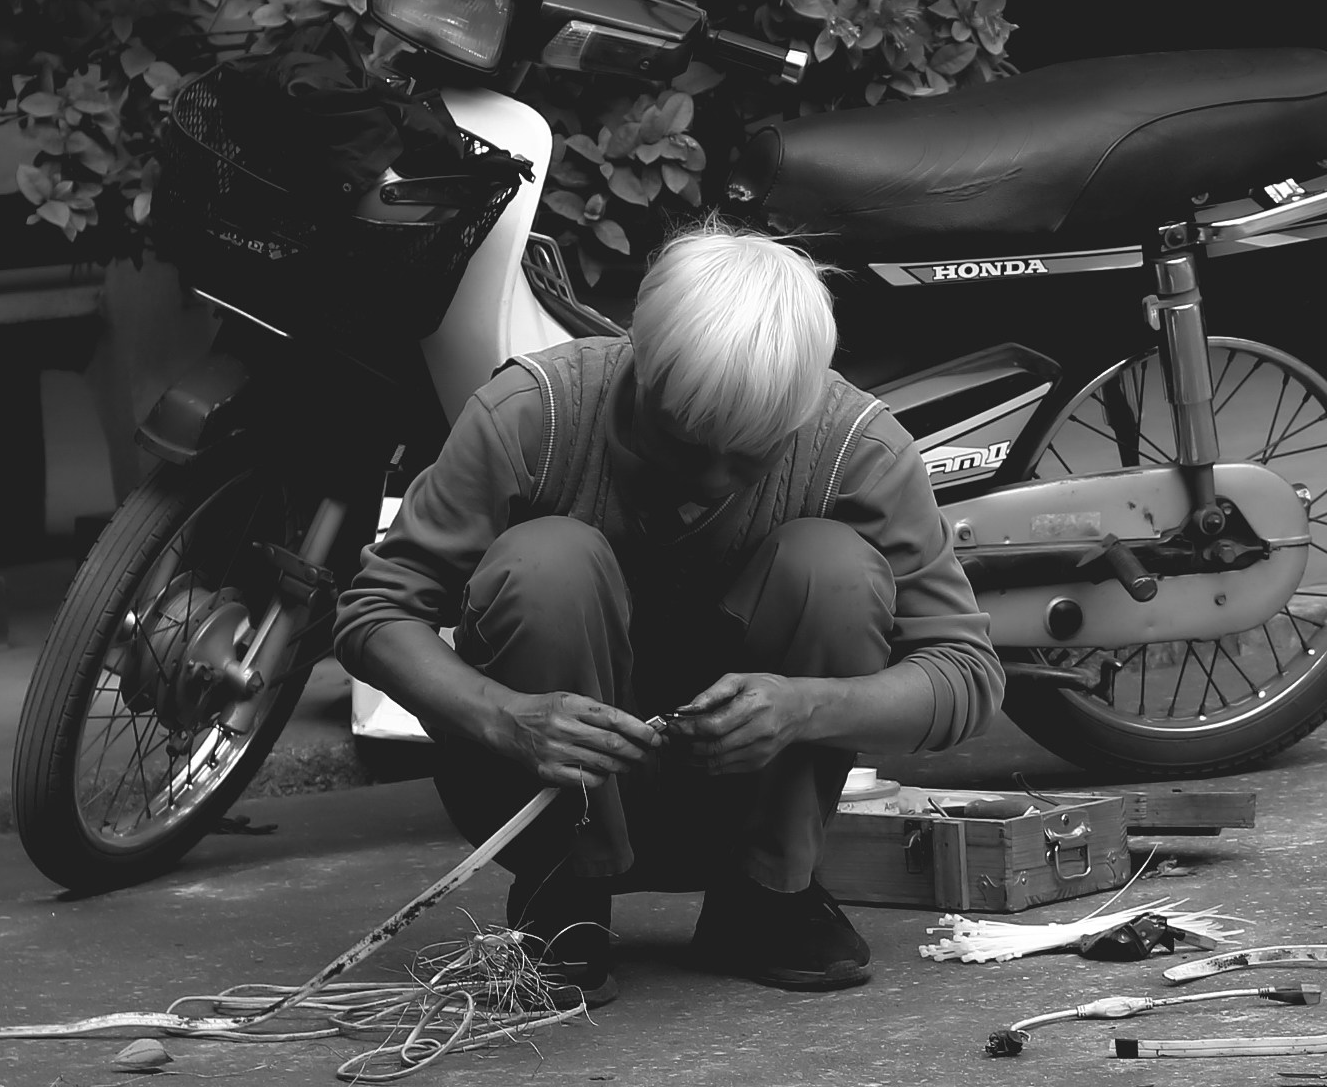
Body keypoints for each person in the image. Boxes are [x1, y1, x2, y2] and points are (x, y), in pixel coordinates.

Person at [332, 222, 1001, 998]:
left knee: (837, 567)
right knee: (547, 560)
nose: (714, 482)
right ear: (639, 366)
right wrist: (502, 716)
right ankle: (565, 897)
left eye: (751, 456)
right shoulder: (531, 416)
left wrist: (807, 708)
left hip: (744, 792)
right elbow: (374, 615)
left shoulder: (858, 448)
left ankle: (766, 894)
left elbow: (966, 673)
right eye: (681, 444)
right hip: (531, 791)